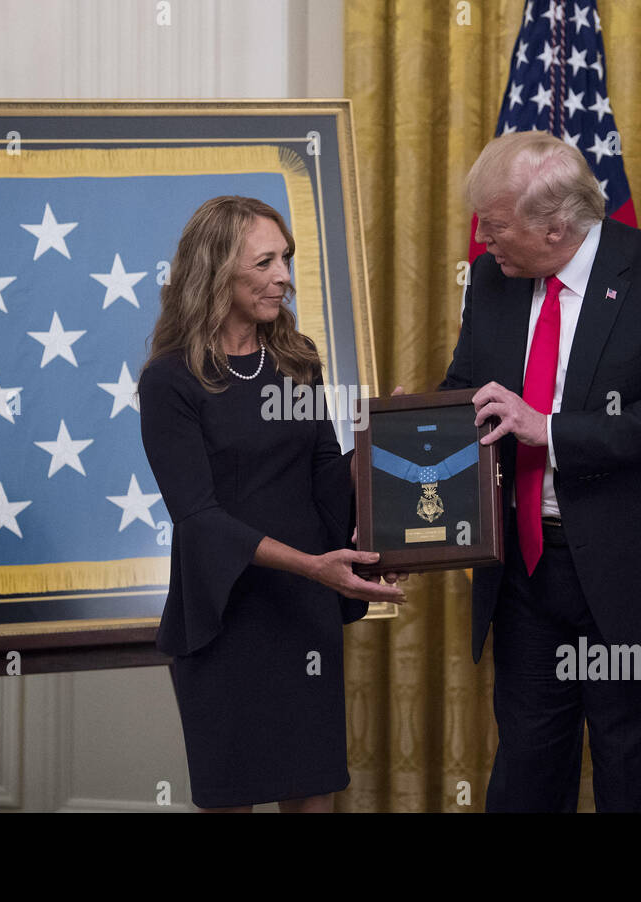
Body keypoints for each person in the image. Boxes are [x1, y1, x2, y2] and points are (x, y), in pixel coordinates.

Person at [438, 131, 641, 811]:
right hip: (528, 577)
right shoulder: (494, 278)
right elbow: (468, 389)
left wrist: (548, 429)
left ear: (556, 226)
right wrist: (418, 432)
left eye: (496, 224)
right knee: (524, 783)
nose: (482, 240)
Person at [138, 195, 405, 813]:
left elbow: (321, 476)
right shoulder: (169, 381)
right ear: (215, 272)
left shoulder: (297, 359)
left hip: (303, 614)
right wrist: (314, 565)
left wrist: (382, 445)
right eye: (265, 262)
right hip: (226, 617)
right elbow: (199, 519)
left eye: (285, 258)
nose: (284, 276)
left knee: (312, 793)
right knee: (233, 792)